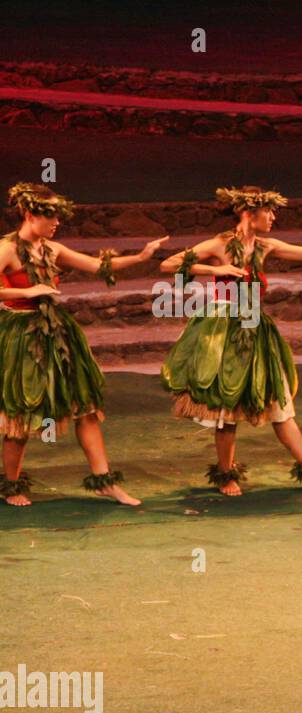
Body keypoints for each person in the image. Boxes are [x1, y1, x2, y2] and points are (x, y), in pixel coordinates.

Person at [159, 186, 302, 496]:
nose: (273, 217)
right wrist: (214, 269)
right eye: (269, 212)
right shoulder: (218, 245)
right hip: (222, 330)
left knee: (280, 404)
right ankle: (225, 474)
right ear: (248, 212)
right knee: (227, 410)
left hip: (255, 328)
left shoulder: (267, 246)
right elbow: (168, 265)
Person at [1, 182, 167, 507]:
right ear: (31, 214)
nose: (57, 223)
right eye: (52, 217)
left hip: (58, 334)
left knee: (85, 408)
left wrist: (142, 256)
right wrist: (27, 293)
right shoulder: (6, 249)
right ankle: (11, 485)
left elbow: (97, 266)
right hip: (21, 336)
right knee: (22, 411)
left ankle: (104, 481)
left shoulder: (53, 250)